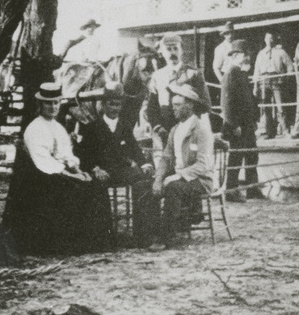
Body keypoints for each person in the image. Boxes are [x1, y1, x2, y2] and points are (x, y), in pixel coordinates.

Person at [2, 83, 110, 255]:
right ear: (40, 105)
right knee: (76, 189)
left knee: (95, 185)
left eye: (55, 103)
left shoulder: (57, 126)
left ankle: (96, 242)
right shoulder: (35, 128)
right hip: (41, 176)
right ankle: (66, 244)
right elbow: (43, 162)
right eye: (48, 103)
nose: (52, 107)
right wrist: (71, 176)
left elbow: (67, 154)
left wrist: (78, 171)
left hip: (59, 171)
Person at [74, 81, 155, 246]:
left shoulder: (124, 125)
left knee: (144, 182)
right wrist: (95, 169)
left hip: (121, 169)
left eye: (118, 105)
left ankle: (142, 236)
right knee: (95, 187)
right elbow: (84, 153)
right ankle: (104, 237)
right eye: (111, 104)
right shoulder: (92, 127)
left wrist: (144, 164)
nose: (115, 108)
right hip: (102, 171)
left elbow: (134, 147)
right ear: (103, 105)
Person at [145, 83, 215, 249]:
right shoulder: (175, 129)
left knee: (174, 188)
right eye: (172, 105)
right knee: (150, 186)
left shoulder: (201, 130)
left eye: (177, 105)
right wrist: (158, 179)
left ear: (189, 105)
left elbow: (203, 165)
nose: (172, 109)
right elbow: (166, 158)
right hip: (180, 177)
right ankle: (147, 234)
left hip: (201, 180)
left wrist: (178, 176)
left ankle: (165, 238)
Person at [143, 33, 212, 148]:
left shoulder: (193, 74)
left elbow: (205, 105)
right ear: (162, 53)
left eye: (176, 48)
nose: (172, 52)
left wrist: (192, 125)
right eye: (168, 49)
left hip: (188, 133)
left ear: (182, 51)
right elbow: (152, 107)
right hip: (165, 133)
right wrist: (158, 127)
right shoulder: (157, 76)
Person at [220, 39, 262, 200]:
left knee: (252, 155)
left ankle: (252, 189)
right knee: (236, 158)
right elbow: (227, 102)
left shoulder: (241, 74)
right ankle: (231, 192)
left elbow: (248, 99)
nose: (247, 58)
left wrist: (254, 119)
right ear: (236, 55)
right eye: (245, 54)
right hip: (237, 125)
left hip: (247, 124)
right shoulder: (231, 73)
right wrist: (233, 124)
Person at [254, 30, 293, 138]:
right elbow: (256, 70)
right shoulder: (261, 53)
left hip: (277, 80)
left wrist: (285, 78)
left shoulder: (281, 52)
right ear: (264, 40)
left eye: (271, 38)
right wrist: (255, 85)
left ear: (274, 39)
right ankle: (270, 132)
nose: (269, 41)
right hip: (264, 81)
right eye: (267, 38)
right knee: (266, 108)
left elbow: (290, 66)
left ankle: (286, 131)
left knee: (281, 107)